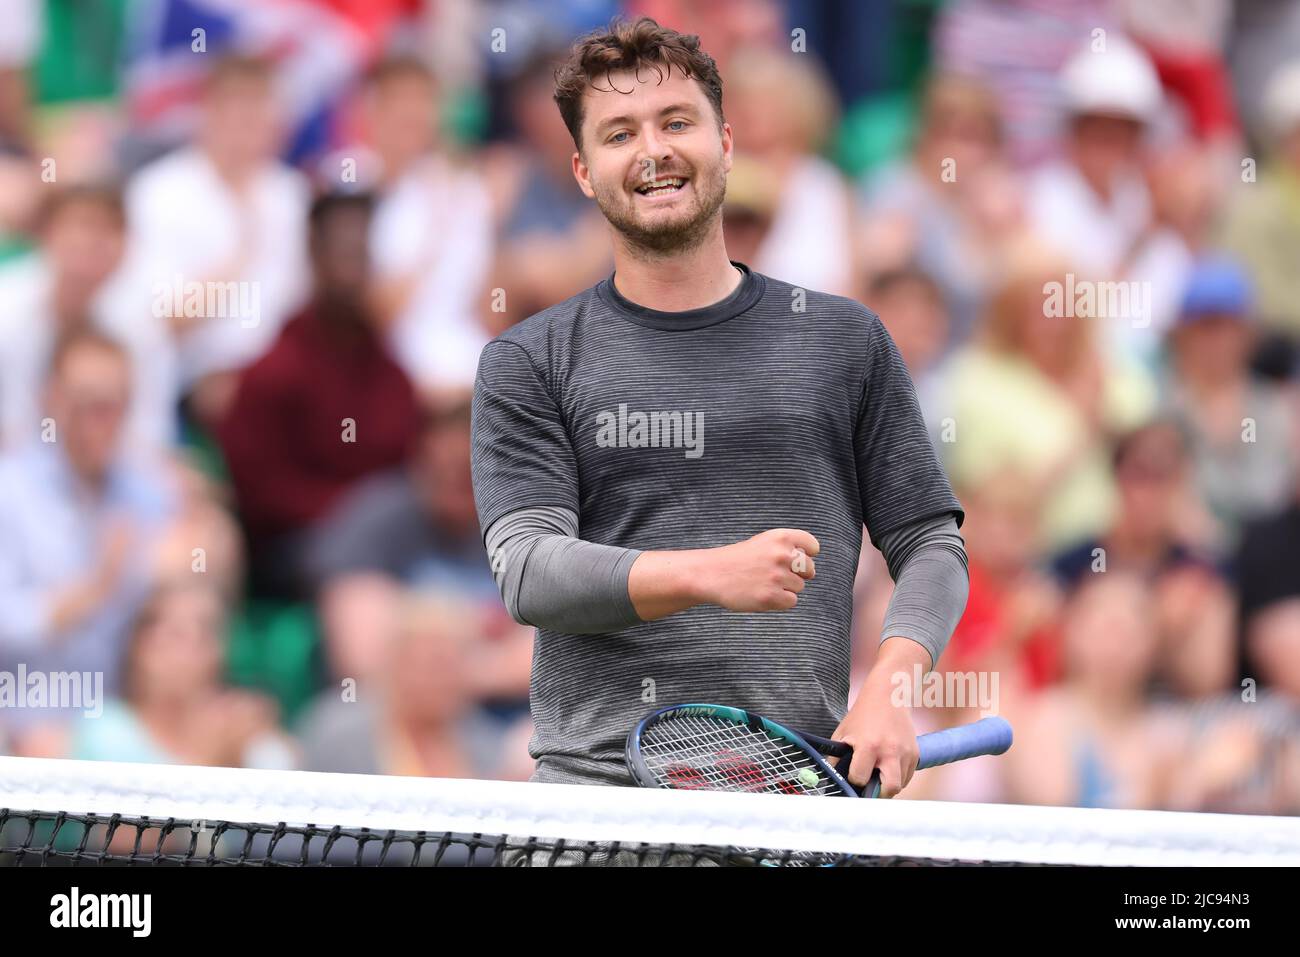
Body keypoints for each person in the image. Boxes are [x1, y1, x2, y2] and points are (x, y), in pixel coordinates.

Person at [471, 18, 969, 797]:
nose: (653, 151)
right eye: (619, 133)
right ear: (582, 170)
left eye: (676, 122)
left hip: (789, 805)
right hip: (597, 811)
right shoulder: (527, 361)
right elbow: (531, 571)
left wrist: (891, 686)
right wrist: (710, 572)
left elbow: (931, 541)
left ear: (726, 143)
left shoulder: (846, 340)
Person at [217, 191, 420, 600]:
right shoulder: (274, 370)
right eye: (342, 252)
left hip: (391, 531)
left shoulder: (384, 362)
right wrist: (358, 510)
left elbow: (409, 456)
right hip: (297, 550)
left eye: (362, 254)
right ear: (314, 256)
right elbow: (259, 496)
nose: (352, 269)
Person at [0, 329, 177, 749]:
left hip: (128, 719)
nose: (101, 418)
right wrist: (96, 588)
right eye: (87, 402)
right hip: (25, 718)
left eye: (115, 404)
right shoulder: (9, 492)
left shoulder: (150, 493)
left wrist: (208, 558)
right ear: (51, 399)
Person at [69, 580, 295, 769]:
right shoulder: (107, 731)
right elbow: (120, 823)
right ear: (139, 648)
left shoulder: (243, 729)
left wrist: (266, 742)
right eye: (176, 635)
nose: (188, 652)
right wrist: (216, 760)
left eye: (205, 632)